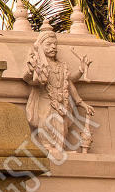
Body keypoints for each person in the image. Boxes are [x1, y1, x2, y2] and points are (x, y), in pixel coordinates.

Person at [24, 28, 93, 158]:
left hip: (62, 104)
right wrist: (32, 71)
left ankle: (59, 149)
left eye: (55, 44)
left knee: (61, 127)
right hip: (45, 101)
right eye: (49, 44)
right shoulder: (39, 65)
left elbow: (70, 83)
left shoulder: (62, 66)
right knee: (45, 123)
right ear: (40, 46)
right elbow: (29, 80)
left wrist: (81, 70)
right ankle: (47, 148)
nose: (53, 47)